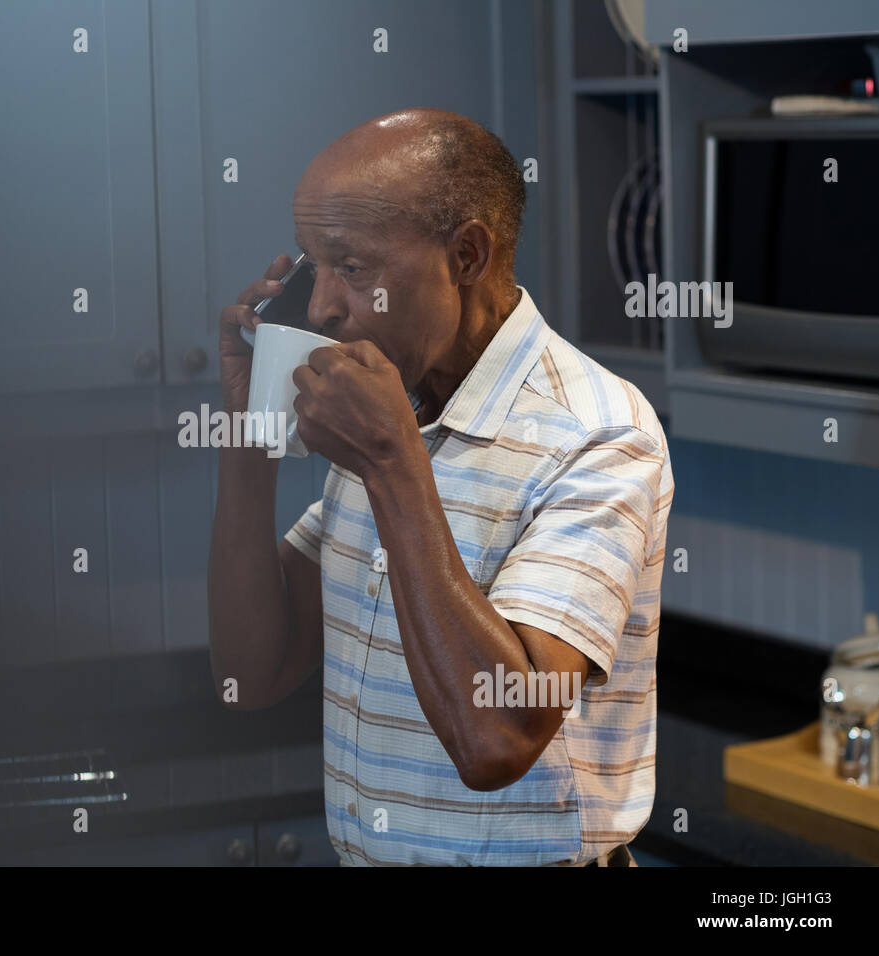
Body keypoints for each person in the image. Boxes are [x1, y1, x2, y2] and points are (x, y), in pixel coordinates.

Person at [208, 108, 672, 866]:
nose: (321, 306)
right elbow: (251, 674)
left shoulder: (597, 433)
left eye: (352, 268)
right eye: (309, 264)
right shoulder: (392, 405)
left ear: (466, 254)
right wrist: (250, 434)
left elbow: (496, 739)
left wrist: (393, 465)